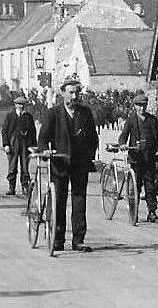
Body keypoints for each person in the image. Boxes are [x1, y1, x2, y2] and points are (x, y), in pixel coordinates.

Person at [38, 79, 98, 252]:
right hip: (60, 163)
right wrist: (45, 151)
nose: (74, 96)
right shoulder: (53, 114)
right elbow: (43, 138)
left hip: (80, 164)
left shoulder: (85, 113)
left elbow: (93, 138)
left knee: (79, 201)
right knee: (59, 201)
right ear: (62, 93)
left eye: (77, 92)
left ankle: (78, 240)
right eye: (71, 92)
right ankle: (57, 239)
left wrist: (90, 157)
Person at [118, 94, 158, 223]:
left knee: (150, 186)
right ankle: (134, 212)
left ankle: (152, 212)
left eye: (144, 105)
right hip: (136, 158)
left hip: (150, 157)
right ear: (134, 106)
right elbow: (123, 135)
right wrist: (122, 144)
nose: (142, 108)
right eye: (139, 105)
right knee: (136, 186)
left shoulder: (152, 120)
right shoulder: (131, 119)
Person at [1, 96, 37, 196]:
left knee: (25, 166)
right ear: (15, 105)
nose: (21, 106)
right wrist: (6, 144)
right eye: (19, 104)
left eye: (22, 105)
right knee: (12, 166)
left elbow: (33, 131)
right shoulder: (10, 116)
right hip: (13, 143)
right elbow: (4, 131)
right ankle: (11, 187)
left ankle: (25, 187)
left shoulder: (28, 116)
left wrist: (34, 146)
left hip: (26, 143)